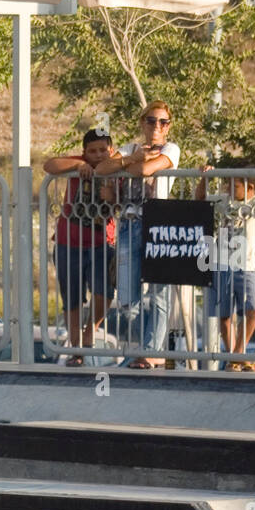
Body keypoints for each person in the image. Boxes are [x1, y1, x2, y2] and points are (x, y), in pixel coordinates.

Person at [95, 100, 181, 369]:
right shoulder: (131, 149)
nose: (157, 126)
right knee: (127, 298)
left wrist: (129, 165)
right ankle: (139, 351)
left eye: (163, 122)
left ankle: (151, 353)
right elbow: (102, 169)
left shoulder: (171, 149)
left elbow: (146, 171)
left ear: (168, 127)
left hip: (159, 224)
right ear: (142, 123)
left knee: (158, 294)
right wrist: (132, 158)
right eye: (151, 121)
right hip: (129, 223)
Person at [195, 162, 255, 371]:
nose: (228, 188)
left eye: (234, 185)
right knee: (225, 314)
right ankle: (235, 357)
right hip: (222, 263)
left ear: (249, 187)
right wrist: (205, 177)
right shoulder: (223, 200)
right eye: (227, 183)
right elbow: (199, 198)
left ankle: (237, 355)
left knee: (251, 310)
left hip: (247, 265)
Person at [43, 130, 118, 366]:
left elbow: (124, 201)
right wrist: (79, 164)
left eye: (102, 150)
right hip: (69, 242)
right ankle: (76, 350)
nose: (97, 155)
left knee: (104, 292)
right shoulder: (80, 163)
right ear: (85, 151)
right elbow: (50, 165)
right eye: (92, 151)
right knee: (72, 299)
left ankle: (91, 329)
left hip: (101, 243)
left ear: (111, 150)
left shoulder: (118, 168)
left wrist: (112, 194)